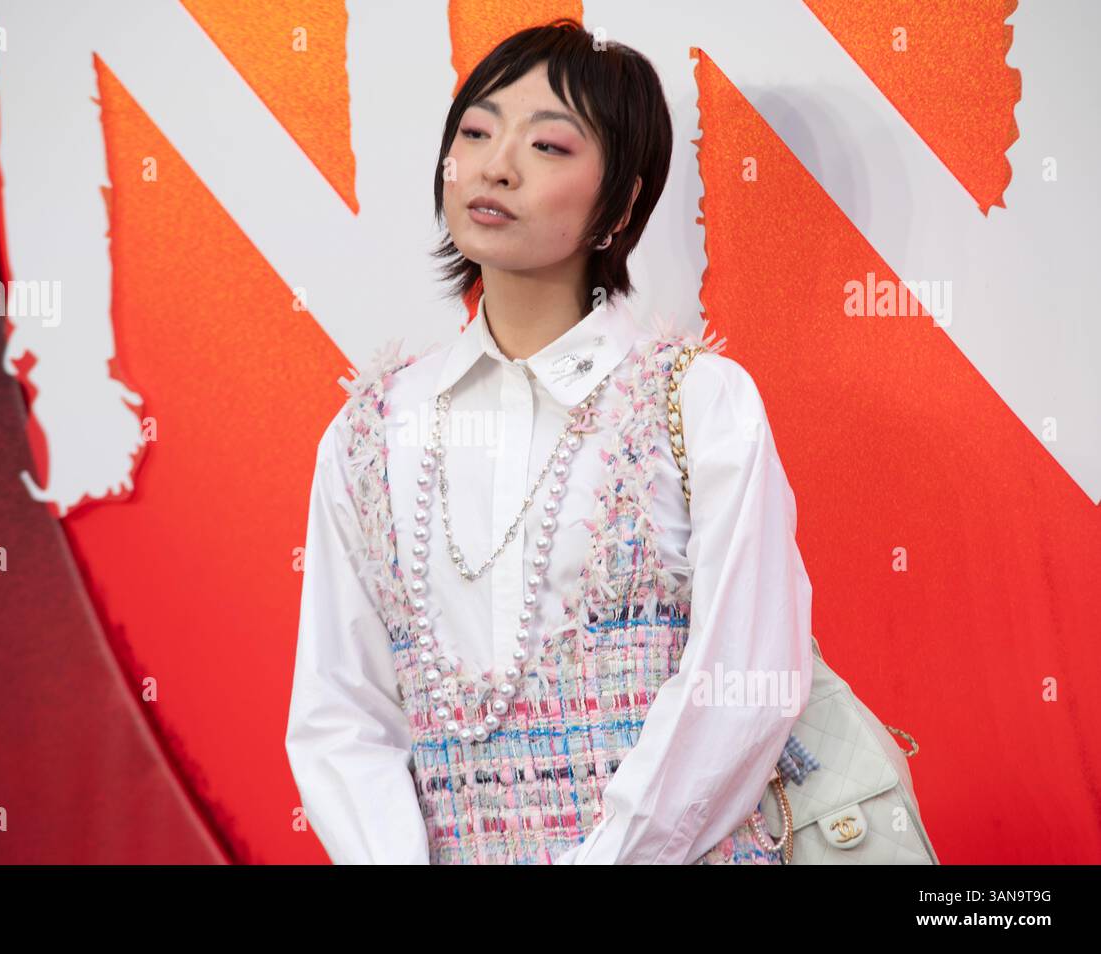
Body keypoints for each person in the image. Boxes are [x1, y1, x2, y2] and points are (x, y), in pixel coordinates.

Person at [285, 18, 814, 865]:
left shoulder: (697, 404)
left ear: (623, 203)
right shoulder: (372, 432)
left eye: (551, 146)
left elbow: (746, 683)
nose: (496, 164)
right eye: (476, 131)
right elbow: (341, 713)